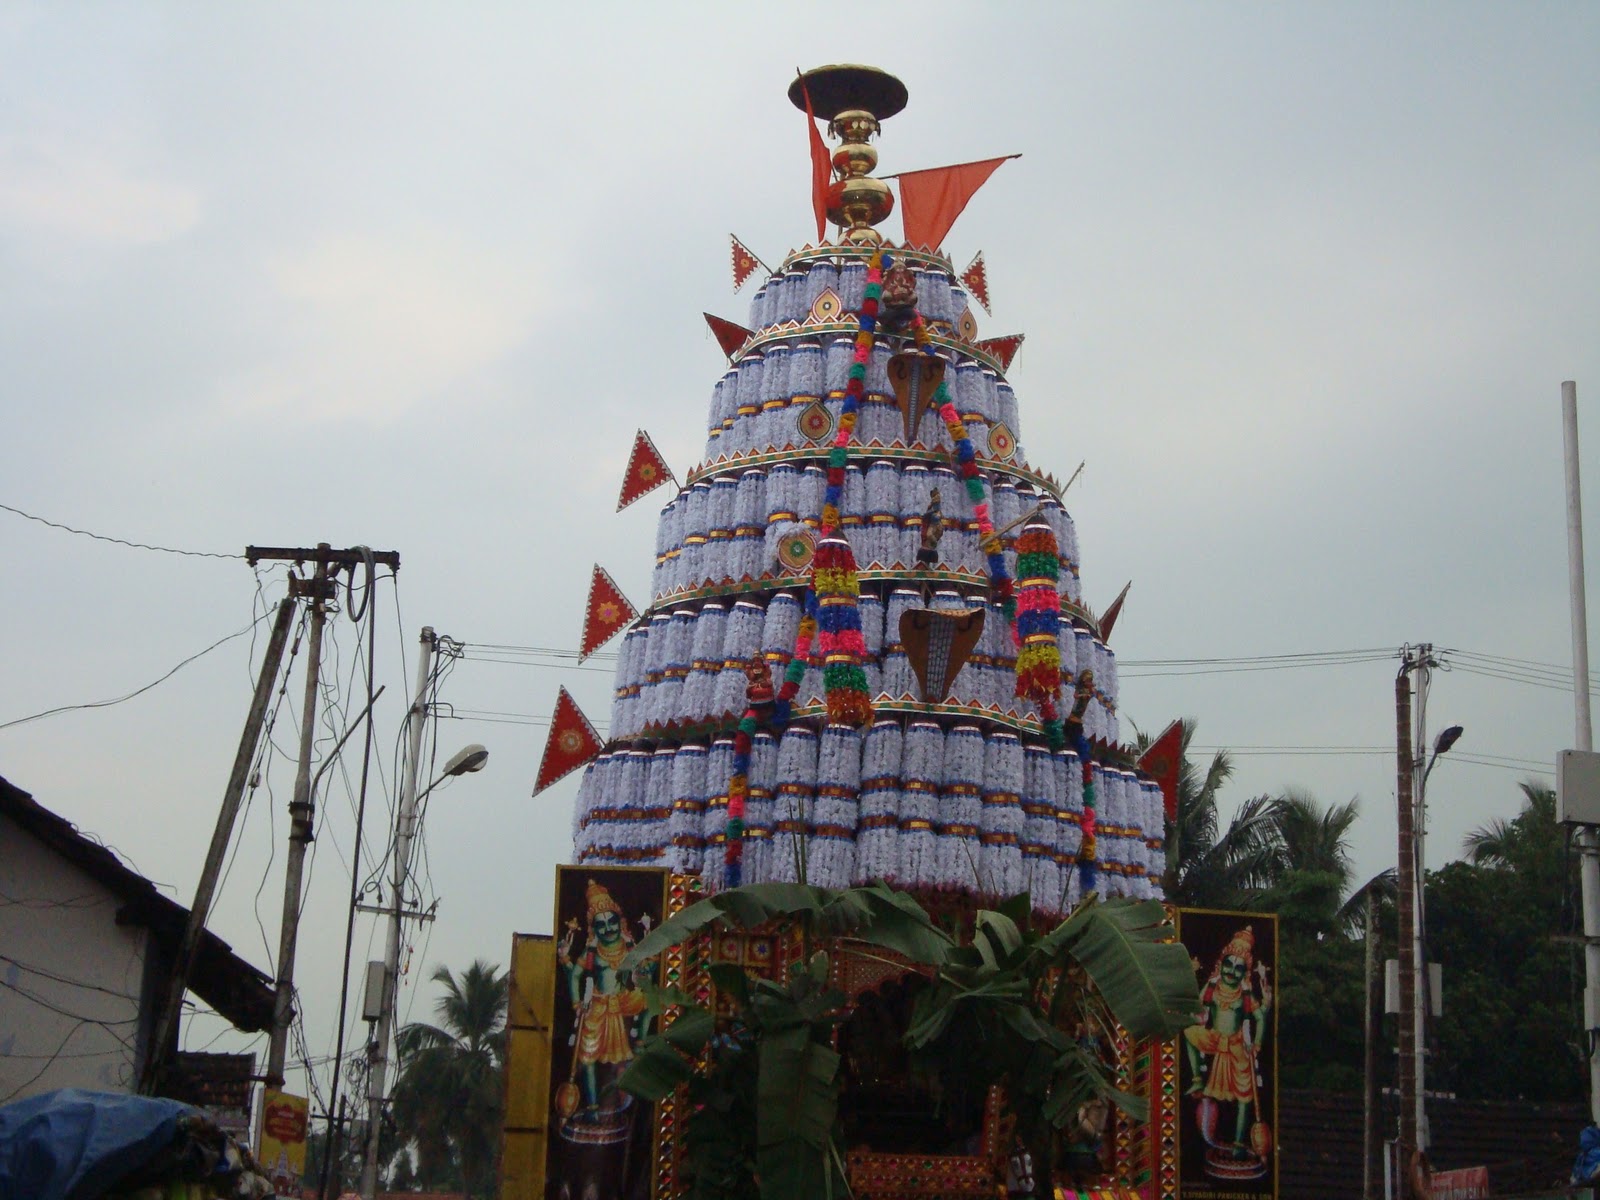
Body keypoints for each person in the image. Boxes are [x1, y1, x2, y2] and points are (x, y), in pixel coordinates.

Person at [557, 879, 651, 1121]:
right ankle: (593, 1108)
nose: (608, 929)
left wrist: (643, 975)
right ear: (594, 929)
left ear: (620, 922)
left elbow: (642, 974)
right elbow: (576, 976)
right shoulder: (592, 952)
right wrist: (578, 1003)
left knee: (648, 1001)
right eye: (601, 926)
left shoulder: (629, 947)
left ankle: (639, 1045)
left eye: (612, 922)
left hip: (622, 1004)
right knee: (587, 1060)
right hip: (597, 1008)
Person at [1183, 926, 1272, 1162]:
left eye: (1238, 968)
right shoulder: (1213, 986)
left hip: (1236, 1047)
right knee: (1189, 1032)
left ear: (1244, 973)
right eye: (1228, 965)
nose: (1231, 972)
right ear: (1221, 964)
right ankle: (1196, 1080)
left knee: (1245, 1098)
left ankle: (1239, 1142)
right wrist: (1192, 977)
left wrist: (1258, 1044)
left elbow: (1260, 1018)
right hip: (1214, 1039)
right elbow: (1197, 1007)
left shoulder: (1244, 994)